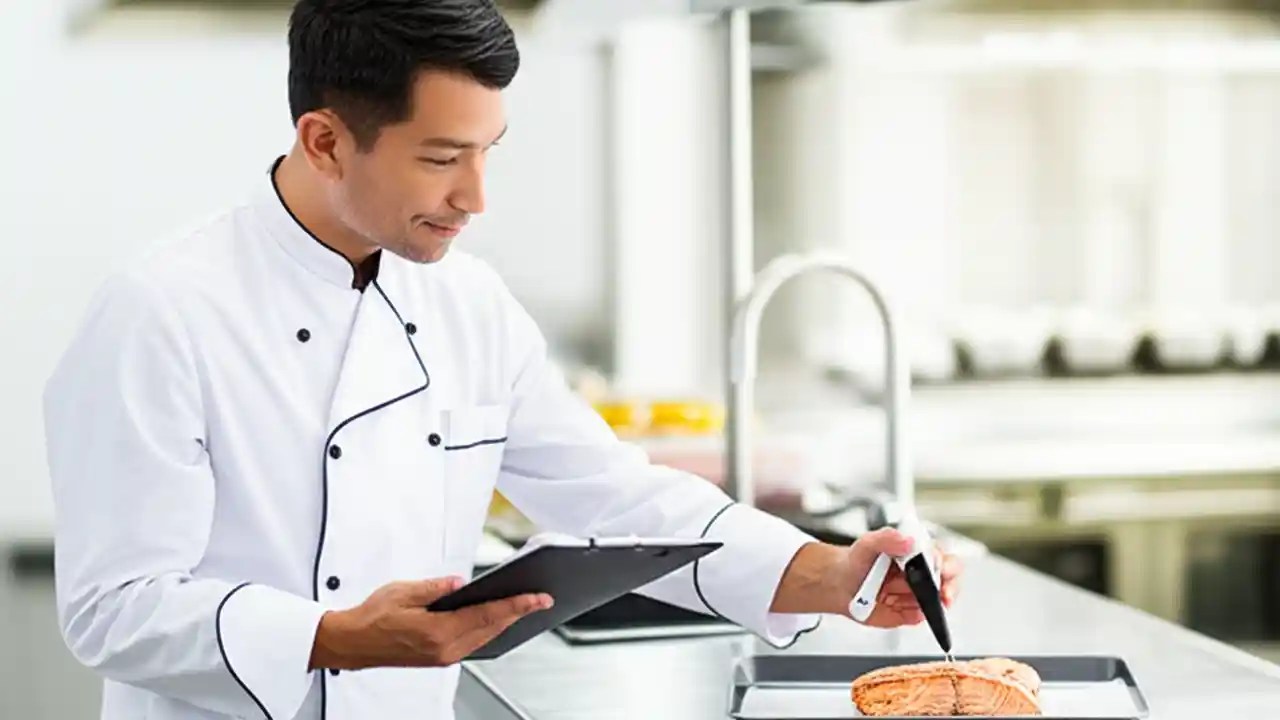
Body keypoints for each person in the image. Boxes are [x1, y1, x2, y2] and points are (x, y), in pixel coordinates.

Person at [42, 1, 962, 719]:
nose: (476, 196)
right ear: (325, 140)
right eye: (442, 158)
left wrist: (826, 574)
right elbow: (114, 608)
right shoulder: (162, 312)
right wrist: (333, 636)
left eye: (489, 154)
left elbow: (618, 499)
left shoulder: (467, 303)